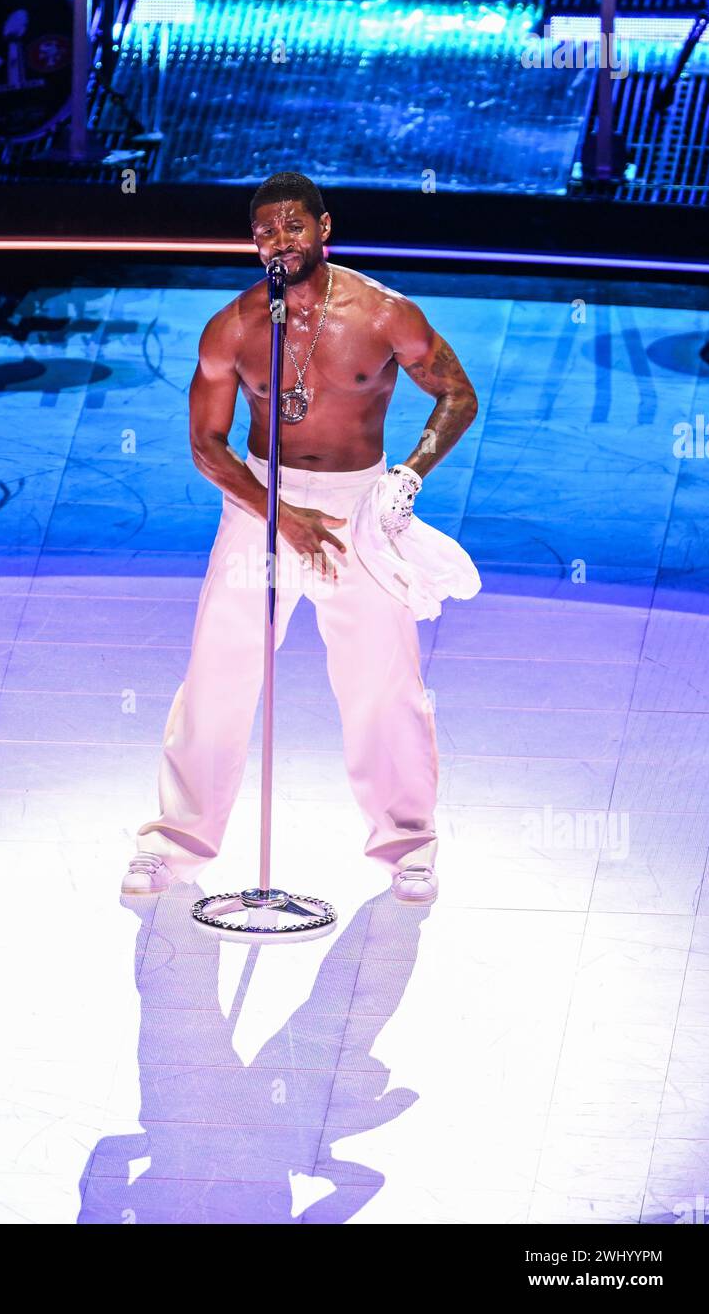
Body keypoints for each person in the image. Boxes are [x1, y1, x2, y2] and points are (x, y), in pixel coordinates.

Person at [121, 171, 479, 906]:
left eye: (291, 227)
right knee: (218, 676)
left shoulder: (384, 314)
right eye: (263, 232)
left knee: (384, 688)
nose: (276, 242)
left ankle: (408, 845)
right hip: (258, 504)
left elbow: (456, 393)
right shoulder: (234, 327)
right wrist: (282, 514)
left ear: (324, 228)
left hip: (359, 509)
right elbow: (206, 446)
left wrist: (408, 477)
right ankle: (176, 842)